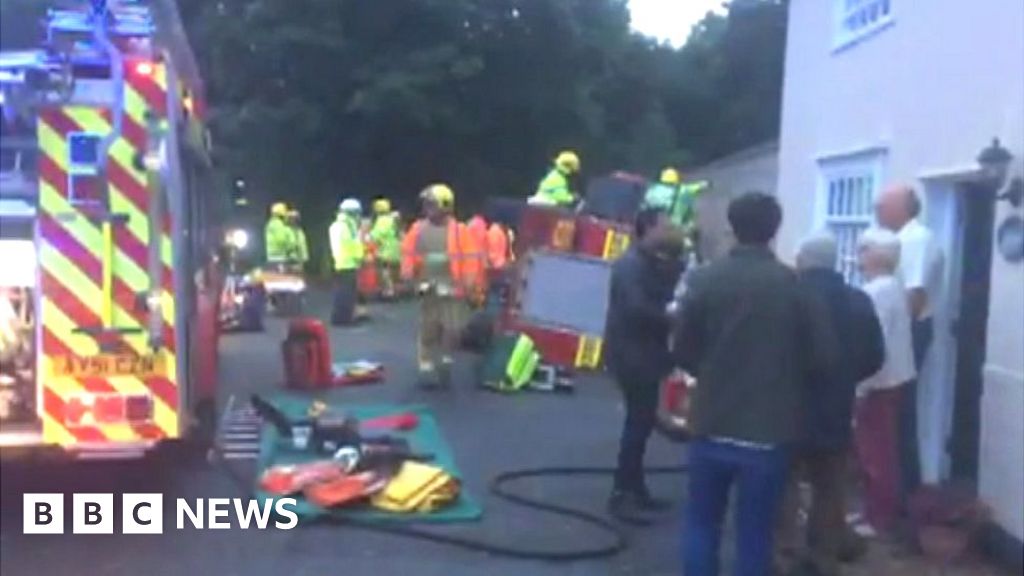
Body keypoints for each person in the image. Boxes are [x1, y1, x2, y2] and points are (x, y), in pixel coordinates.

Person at [673, 192, 837, 576]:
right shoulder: (795, 287)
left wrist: (712, 372)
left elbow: (682, 349)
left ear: (732, 228)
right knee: (755, 533)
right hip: (769, 430)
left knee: (701, 524)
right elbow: (824, 357)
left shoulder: (705, 279)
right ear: (774, 231)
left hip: (711, 422)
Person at [775, 231, 885, 576]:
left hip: (787, 406)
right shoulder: (859, 301)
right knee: (829, 487)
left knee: (785, 482)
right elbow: (875, 356)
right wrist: (846, 378)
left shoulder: (786, 299)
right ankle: (823, 557)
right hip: (835, 406)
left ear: (802, 261)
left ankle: (785, 555)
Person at [604, 208, 684, 523]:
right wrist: (671, 315)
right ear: (647, 229)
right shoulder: (631, 266)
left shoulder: (649, 263)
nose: (670, 231)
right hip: (633, 356)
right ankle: (622, 493)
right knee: (638, 424)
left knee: (642, 422)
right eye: (665, 226)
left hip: (642, 354)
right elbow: (637, 308)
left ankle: (635, 488)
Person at [874, 185, 944, 503]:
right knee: (892, 410)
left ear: (901, 208)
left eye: (882, 206)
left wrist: (893, 338)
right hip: (902, 328)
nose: (877, 211)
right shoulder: (902, 239)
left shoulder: (916, 240)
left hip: (908, 330)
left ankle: (902, 493)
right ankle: (894, 490)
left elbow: (914, 297)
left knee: (897, 411)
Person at [853, 228, 916, 535]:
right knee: (880, 449)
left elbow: (873, 343)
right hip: (893, 378)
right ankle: (872, 511)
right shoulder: (894, 287)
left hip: (878, 382)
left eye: (864, 250)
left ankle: (878, 518)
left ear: (876, 256)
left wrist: (860, 387)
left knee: (875, 453)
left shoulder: (875, 292)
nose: (859, 257)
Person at [400, 184, 485, 387]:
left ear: (445, 206)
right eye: (426, 205)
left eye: (432, 205)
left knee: (453, 327)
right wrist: (409, 278)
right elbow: (408, 254)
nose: (427, 209)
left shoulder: (460, 231)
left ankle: (445, 358)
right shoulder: (418, 229)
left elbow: (471, 260)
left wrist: (468, 285)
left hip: (452, 286)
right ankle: (426, 365)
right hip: (427, 284)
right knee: (428, 326)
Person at [328, 198, 366, 325]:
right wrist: (360, 256)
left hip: (341, 262)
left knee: (341, 293)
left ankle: (340, 318)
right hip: (348, 263)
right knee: (346, 295)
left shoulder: (337, 225)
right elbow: (352, 245)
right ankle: (344, 319)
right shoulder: (348, 227)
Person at [370, 198, 401, 299]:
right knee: (393, 271)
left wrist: (369, 236)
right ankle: (394, 289)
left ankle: (389, 291)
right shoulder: (392, 219)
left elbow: (377, 235)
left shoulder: (382, 221)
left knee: (384, 270)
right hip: (396, 249)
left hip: (386, 250)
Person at [265, 202, 296, 270]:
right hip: (280, 258)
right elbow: (282, 240)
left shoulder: (272, 223)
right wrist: (290, 248)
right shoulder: (278, 224)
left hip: (275, 257)